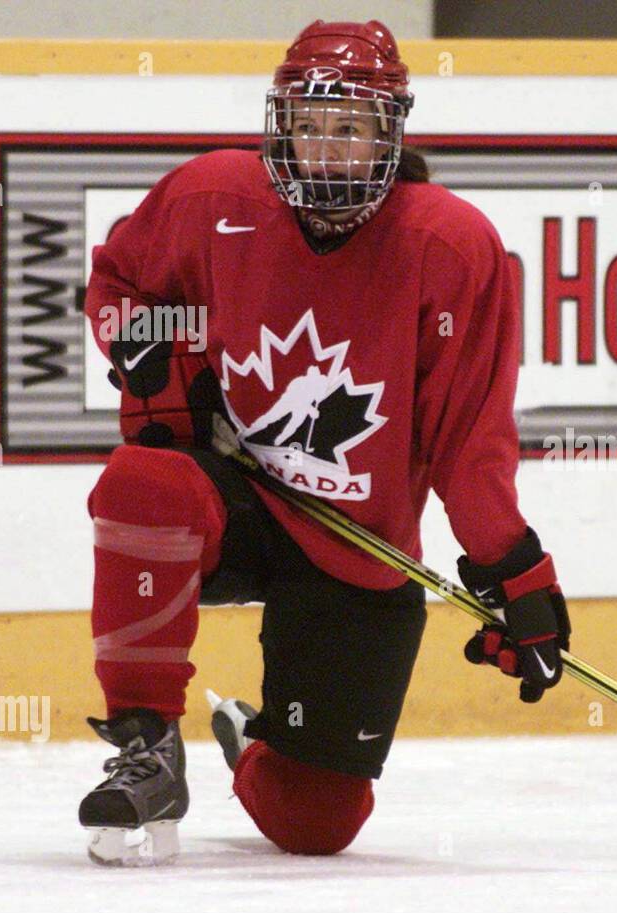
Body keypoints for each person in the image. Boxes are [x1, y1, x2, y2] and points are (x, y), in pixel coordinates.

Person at [77, 19, 570, 865]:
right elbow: (117, 283)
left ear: (389, 135)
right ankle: (146, 743)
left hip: (356, 543)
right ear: (282, 130)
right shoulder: (211, 201)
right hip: (234, 495)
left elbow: (469, 441)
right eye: (310, 125)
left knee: (315, 824)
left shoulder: (452, 247)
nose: (327, 148)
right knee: (143, 482)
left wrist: (517, 575)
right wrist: (150, 347)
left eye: (350, 128)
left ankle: (250, 738)